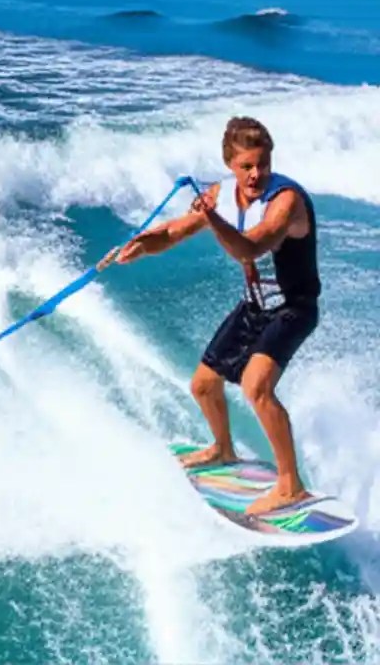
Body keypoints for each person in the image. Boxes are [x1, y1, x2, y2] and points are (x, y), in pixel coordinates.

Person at [111, 116, 320, 516]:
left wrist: (210, 216)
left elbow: (250, 248)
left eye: (263, 164)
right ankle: (223, 451)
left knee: (256, 386)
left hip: (295, 307)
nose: (256, 173)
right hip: (256, 305)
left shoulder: (286, 202)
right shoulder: (224, 196)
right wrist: (138, 247)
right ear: (229, 164)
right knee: (204, 386)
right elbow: (175, 232)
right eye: (247, 166)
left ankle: (290, 486)